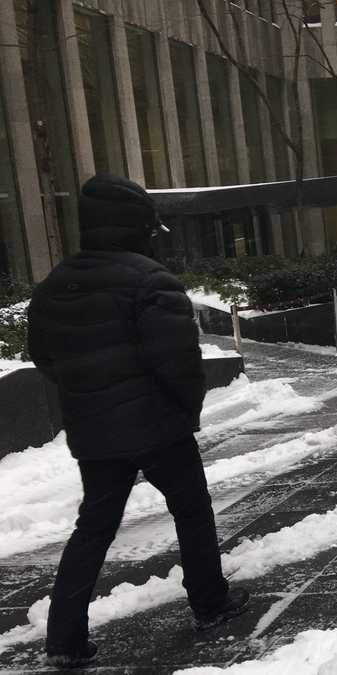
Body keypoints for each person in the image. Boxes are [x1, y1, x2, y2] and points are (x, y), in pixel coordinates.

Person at [26, 175, 248, 669]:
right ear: (138, 227)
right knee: (191, 510)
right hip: (157, 426)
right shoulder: (151, 280)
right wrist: (184, 410)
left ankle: (64, 638)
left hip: (94, 433)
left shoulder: (54, 287)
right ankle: (210, 604)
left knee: (94, 528)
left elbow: (44, 357)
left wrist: (87, 395)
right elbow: (180, 364)